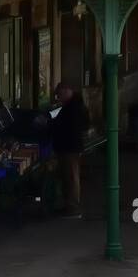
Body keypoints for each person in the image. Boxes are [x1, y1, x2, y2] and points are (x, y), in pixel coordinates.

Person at [52, 82, 87, 216]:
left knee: (70, 177)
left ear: (67, 91)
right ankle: (70, 205)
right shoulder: (75, 105)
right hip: (71, 146)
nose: (58, 98)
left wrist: (54, 125)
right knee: (70, 176)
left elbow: (68, 127)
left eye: (59, 94)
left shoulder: (72, 108)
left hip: (69, 147)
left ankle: (72, 207)